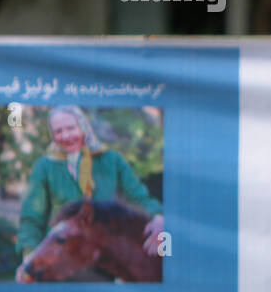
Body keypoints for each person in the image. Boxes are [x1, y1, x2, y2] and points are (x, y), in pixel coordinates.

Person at [15, 106, 164, 282]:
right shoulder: (45, 167)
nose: (65, 136)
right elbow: (31, 218)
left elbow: (139, 196)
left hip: (106, 262)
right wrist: (30, 257)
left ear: (83, 127)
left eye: (71, 128)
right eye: (58, 131)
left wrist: (159, 216)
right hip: (63, 260)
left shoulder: (111, 160)